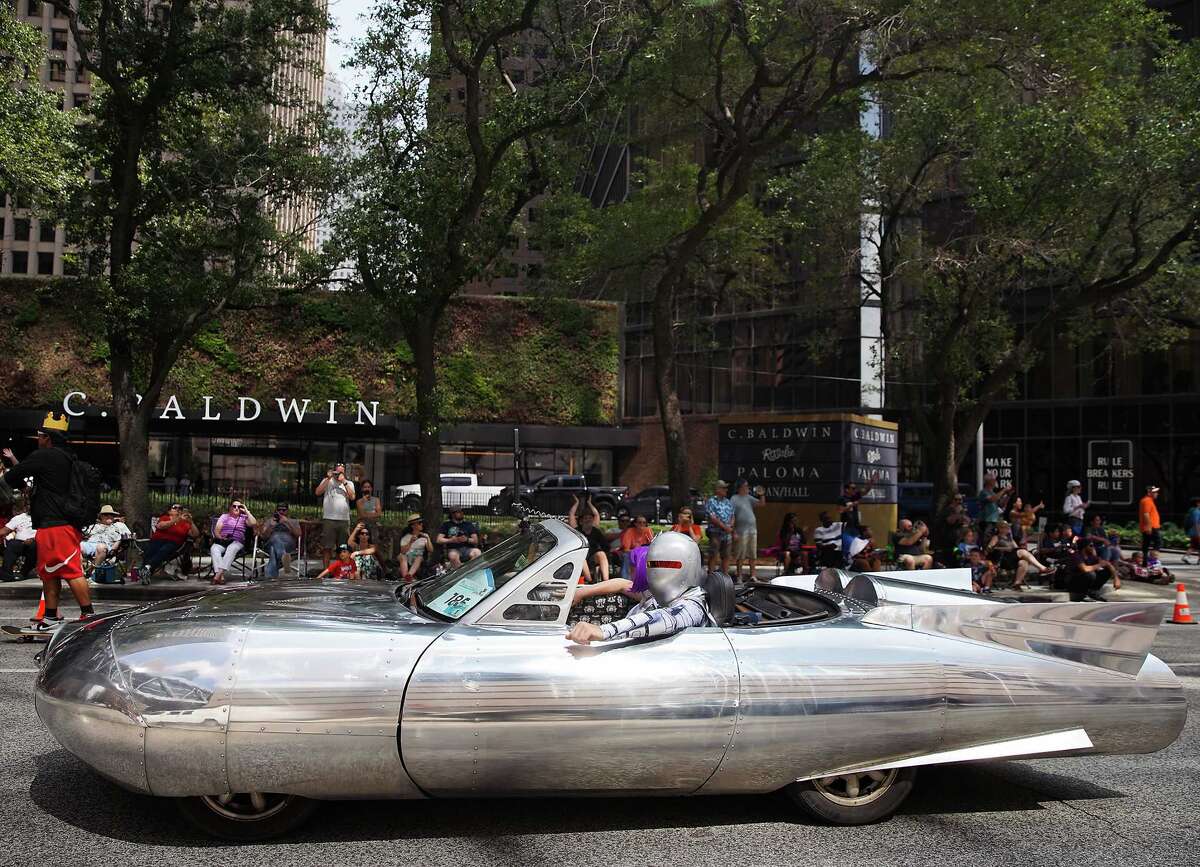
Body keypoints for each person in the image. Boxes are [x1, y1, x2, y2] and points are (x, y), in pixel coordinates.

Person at [0, 412, 94, 629]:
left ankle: (89, 618)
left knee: (71, 570)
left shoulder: (45, 456)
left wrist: (23, 486)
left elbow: (13, 476)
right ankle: (50, 617)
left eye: (40, 435)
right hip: (59, 523)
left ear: (48, 437)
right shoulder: (69, 457)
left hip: (56, 524)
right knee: (50, 571)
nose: (38, 439)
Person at [566, 531, 709, 645]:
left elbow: (664, 618)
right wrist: (581, 591)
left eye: (660, 564)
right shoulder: (663, 594)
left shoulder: (693, 607)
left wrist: (603, 631)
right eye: (651, 565)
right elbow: (623, 584)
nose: (653, 572)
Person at [986, 521, 1055, 590]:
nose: (1005, 529)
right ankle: (1042, 568)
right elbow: (989, 548)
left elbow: (1016, 548)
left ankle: (1017, 583)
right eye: (1003, 528)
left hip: (1012, 559)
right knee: (1022, 552)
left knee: (1023, 562)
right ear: (999, 529)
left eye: (1007, 527)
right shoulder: (996, 537)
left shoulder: (1010, 538)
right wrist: (1003, 548)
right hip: (1003, 559)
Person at [139, 504, 200, 582]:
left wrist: (191, 522)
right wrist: (176, 519)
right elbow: (160, 526)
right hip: (158, 540)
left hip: (174, 543)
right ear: (169, 511)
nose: (178, 509)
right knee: (151, 550)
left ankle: (146, 568)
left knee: (164, 550)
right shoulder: (164, 518)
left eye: (180, 508)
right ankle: (147, 571)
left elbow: (195, 534)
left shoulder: (185, 523)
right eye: (175, 507)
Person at [315, 463, 355, 568]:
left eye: (341, 472)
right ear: (334, 471)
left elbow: (352, 497)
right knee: (327, 547)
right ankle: (326, 571)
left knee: (342, 548)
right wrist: (328, 478)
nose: (338, 475)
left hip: (343, 520)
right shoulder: (328, 481)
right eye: (337, 472)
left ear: (344, 472)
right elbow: (318, 492)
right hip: (329, 519)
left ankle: (341, 571)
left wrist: (344, 481)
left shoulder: (349, 483)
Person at [210, 499, 256, 585]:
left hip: (237, 541)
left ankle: (217, 575)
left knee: (232, 548)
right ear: (230, 508)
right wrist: (221, 538)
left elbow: (253, 523)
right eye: (234, 506)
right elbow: (216, 531)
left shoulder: (244, 517)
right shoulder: (224, 516)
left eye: (239, 506)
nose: (236, 508)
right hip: (224, 540)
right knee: (214, 548)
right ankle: (221, 575)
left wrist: (246, 511)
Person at [568, 494, 610, 581]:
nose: (588, 520)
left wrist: (589, 503)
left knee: (601, 554)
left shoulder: (595, 530)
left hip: (593, 555)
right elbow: (571, 514)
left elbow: (596, 515)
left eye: (590, 518)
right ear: (581, 521)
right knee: (581, 557)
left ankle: (606, 581)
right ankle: (590, 581)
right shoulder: (577, 530)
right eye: (585, 518)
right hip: (581, 555)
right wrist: (577, 503)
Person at [730, 480, 766, 581]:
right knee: (740, 554)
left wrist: (762, 494)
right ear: (740, 487)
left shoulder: (749, 498)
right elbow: (731, 515)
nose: (748, 488)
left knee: (752, 554)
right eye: (746, 486)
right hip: (741, 531)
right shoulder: (734, 498)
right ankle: (739, 576)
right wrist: (733, 531)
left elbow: (761, 504)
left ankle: (753, 575)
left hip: (752, 530)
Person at [80, 504, 132, 574]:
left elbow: (127, 536)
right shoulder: (94, 525)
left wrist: (117, 545)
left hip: (107, 546)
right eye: (106, 514)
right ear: (101, 516)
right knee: (75, 546)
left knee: (101, 547)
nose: (109, 516)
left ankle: (93, 572)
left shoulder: (119, 525)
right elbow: (81, 533)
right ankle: (80, 573)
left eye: (111, 515)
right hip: (90, 544)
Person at [259, 504, 301, 579]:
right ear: (276, 511)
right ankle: (283, 557)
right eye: (279, 510)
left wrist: (287, 522)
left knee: (273, 550)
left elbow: (298, 534)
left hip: (288, 543)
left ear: (287, 511)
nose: (281, 512)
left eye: (283, 510)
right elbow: (263, 536)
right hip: (271, 541)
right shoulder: (270, 521)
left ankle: (270, 578)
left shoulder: (292, 521)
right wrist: (271, 526)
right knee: (276, 538)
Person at [0, 496, 36, 582]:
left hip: (36, 542)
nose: (29, 506)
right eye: (27, 504)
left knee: (34, 546)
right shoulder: (19, 518)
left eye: (32, 504)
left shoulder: (43, 518)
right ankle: (6, 573)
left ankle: (23, 572)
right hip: (19, 543)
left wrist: (33, 539)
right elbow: (4, 531)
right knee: (12, 544)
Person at [704, 480, 735, 574]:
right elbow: (713, 518)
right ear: (718, 489)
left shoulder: (728, 502)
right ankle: (711, 576)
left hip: (727, 534)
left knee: (726, 556)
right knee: (713, 554)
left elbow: (733, 515)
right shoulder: (711, 501)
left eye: (726, 488)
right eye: (724, 488)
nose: (726, 490)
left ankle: (725, 577)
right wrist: (725, 527)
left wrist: (730, 525)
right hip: (715, 533)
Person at [838, 480, 871, 556]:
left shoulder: (854, 497)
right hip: (847, 527)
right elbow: (840, 510)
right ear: (847, 489)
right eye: (853, 488)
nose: (855, 490)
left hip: (855, 526)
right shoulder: (842, 499)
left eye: (855, 488)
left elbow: (865, 491)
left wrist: (871, 483)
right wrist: (852, 504)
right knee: (848, 547)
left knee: (857, 547)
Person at [977, 473, 1011, 541]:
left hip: (995, 520)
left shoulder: (993, 493)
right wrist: (1004, 490)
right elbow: (992, 499)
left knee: (994, 539)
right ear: (989, 481)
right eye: (994, 480)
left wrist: (1008, 495)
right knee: (987, 539)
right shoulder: (983, 492)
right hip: (987, 520)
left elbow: (1001, 504)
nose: (996, 481)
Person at [398, 515, 431, 582]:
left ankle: (408, 576)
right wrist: (410, 542)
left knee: (419, 557)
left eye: (421, 523)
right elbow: (403, 551)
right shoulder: (406, 537)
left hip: (418, 557)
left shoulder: (424, 536)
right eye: (419, 523)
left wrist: (428, 538)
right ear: (412, 526)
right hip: (407, 556)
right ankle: (406, 577)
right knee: (402, 556)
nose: (421, 524)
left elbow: (430, 550)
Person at [1138, 485, 1162, 560]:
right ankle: (1153, 559)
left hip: (1150, 527)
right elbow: (1146, 514)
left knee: (1146, 545)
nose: (1157, 493)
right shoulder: (1147, 501)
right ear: (1149, 492)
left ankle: (1145, 562)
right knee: (1158, 543)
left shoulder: (1148, 500)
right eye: (1155, 492)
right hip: (1152, 527)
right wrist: (1149, 527)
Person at [1184, 497, 1200, 565]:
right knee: (1194, 545)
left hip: (1192, 531)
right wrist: (1198, 532)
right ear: (1197, 503)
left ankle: (1186, 557)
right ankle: (1186, 557)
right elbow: (1196, 522)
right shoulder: (1196, 511)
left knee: (1193, 546)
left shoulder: (1191, 510)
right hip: (1196, 531)